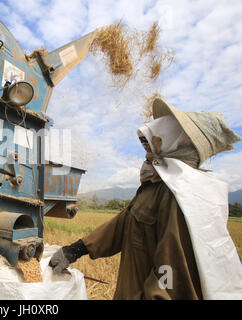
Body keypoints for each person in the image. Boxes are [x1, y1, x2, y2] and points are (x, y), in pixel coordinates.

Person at [49, 98, 242, 300]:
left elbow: (171, 270)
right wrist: (77, 248)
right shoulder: (156, 186)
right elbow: (125, 222)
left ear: (175, 142)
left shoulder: (181, 195)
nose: (145, 148)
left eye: (150, 142)